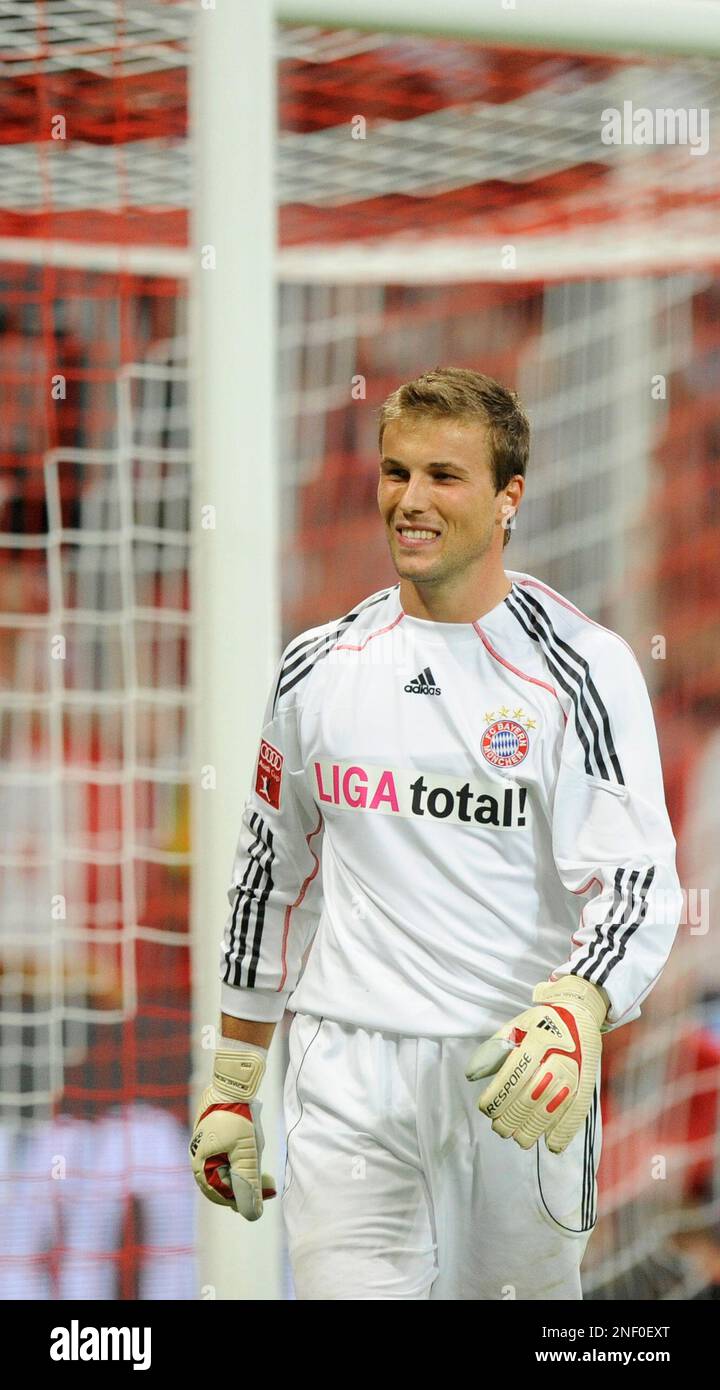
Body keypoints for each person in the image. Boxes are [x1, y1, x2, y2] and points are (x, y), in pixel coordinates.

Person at [189, 367, 683, 1301]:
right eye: (395, 472)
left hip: (513, 1078)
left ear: (508, 500)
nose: (410, 501)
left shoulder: (582, 670)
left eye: (444, 477)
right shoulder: (317, 669)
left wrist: (578, 1009)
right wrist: (233, 1078)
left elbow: (635, 886)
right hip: (347, 1082)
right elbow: (270, 878)